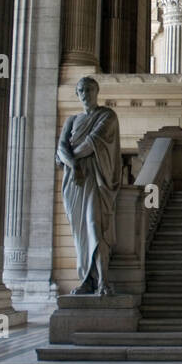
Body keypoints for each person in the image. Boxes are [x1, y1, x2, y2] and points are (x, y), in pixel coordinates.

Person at [57, 77, 122, 296]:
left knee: (95, 227)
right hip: (75, 183)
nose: (85, 93)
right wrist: (72, 164)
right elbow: (60, 148)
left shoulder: (107, 115)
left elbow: (93, 142)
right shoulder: (71, 120)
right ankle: (86, 279)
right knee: (80, 234)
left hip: (95, 178)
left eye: (89, 89)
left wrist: (69, 159)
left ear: (97, 91)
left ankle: (103, 281)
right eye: (81, 90)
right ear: (77, 94)